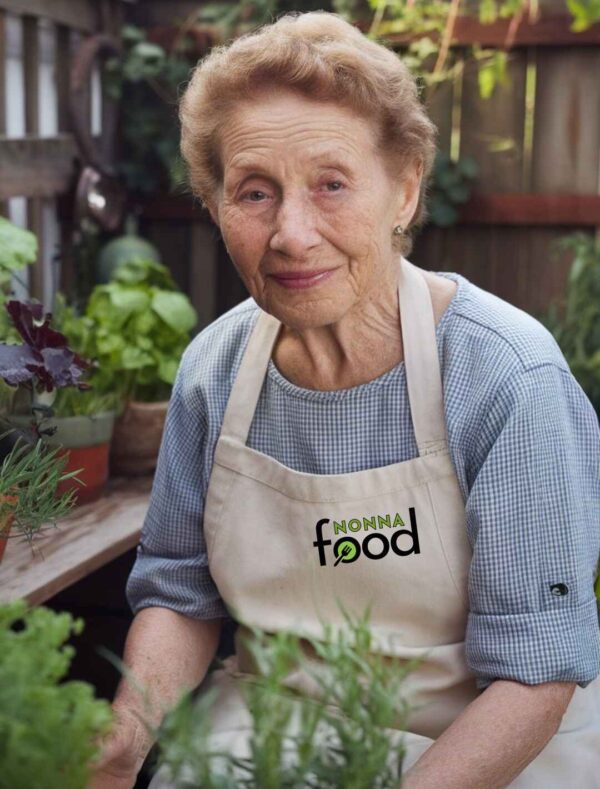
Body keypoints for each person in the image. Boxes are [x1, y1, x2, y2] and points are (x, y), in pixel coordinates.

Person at [90, 11, 600, 789]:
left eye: (331, 185)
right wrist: (126, 733)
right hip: (270, 730)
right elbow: (181, 592)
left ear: (403, 190)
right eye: (254, 192)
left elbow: (535, 673)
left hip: (488, 749)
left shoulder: (505, 376)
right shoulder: (214, 370)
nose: (292, 233)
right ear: (215, 202)